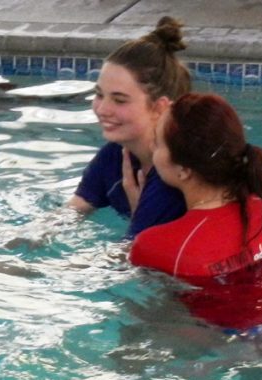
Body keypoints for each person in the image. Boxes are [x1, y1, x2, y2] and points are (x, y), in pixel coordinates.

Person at [129, 93, 262, 335]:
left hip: (241, 342)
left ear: (183, 170)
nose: (151, 148)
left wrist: (138, 216)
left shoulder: (159, 245)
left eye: (157, 143)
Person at [67, 16, 190, 238]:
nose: (102, 109)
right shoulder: (115, 156)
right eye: (99, 94)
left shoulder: (174, 175)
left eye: (119, 100)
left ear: (159, 107)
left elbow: (131, 262)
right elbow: (69, 215)